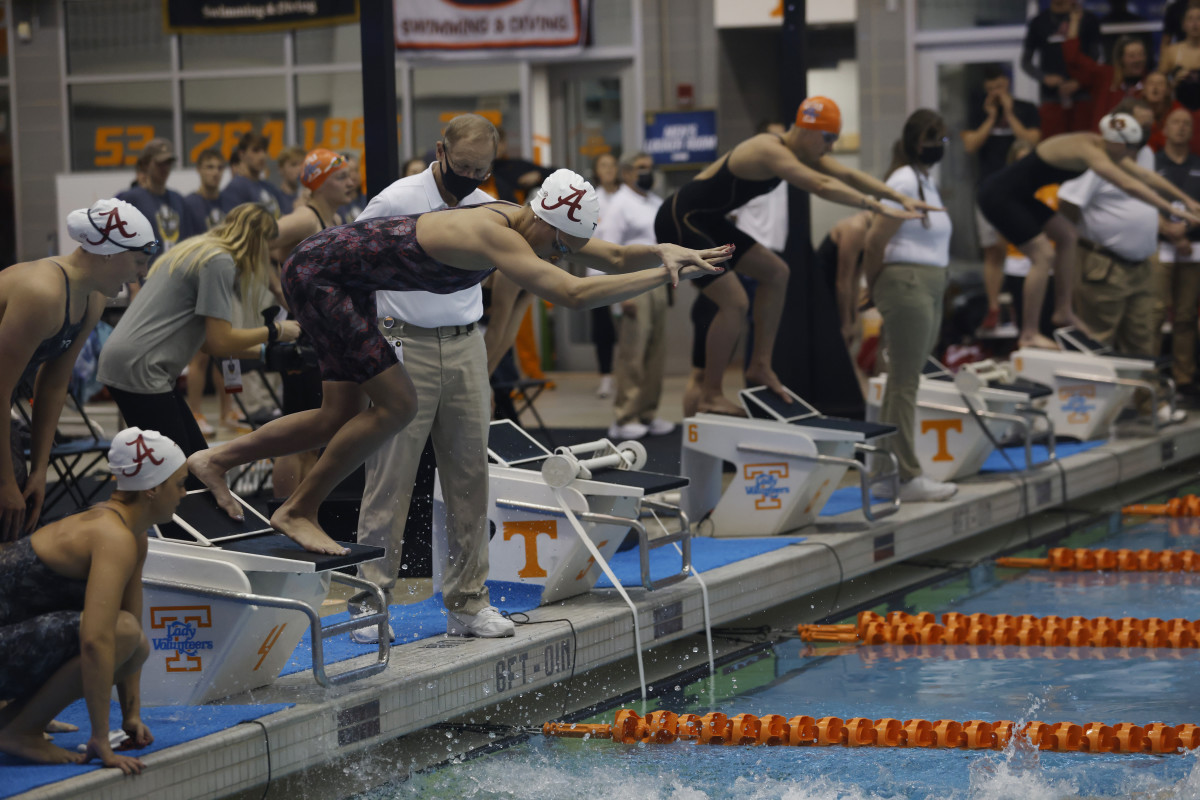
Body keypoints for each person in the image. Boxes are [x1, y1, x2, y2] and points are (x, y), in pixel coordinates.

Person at [188, 169, 732, 557]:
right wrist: (665, 277)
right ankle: (298, 509)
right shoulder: (494, 232)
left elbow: (609, 257)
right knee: (399, 406)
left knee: (337, 415)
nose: (558, 255)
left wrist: (668, 251)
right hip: (321, 278)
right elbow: (571, 293)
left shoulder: (530, 223)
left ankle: (219, 460)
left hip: (338, 282)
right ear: (545, 221)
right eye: (560, 245)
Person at [654, 96, 930, 416]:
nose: (830, 148)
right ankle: (710, 394)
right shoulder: (769, 149)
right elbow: (822, 185)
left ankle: (759, 365)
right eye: (829, 139)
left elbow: (848, 176)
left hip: (708, 221)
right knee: (735, 302)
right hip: (680, 220)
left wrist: (898, 198)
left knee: (777, 273)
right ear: (808, 130)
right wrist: (875, 206)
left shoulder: (798, 149)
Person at [350, 114, 506, 641]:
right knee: (390, 479)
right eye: (462, 167)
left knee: (469, 477)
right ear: (440, 150)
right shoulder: (396, 200)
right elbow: (347, 261)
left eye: (480, 170)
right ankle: (370, 602)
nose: (470, 177)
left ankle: (467, 602)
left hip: (466, 343)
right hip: (404, 343)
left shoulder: (488, 208)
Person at [0, 428, 187, 772]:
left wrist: (131, 714)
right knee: (119, 635)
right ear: (153, 488)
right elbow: (96, 641)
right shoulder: (111, 535)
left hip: (11, 637)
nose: (184, 493)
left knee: (136, 643)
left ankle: (16, 721)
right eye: (179, 483)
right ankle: (19, 729)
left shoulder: (131, 533)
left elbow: (129, 623)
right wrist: (101, 737)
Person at [0, 199, 157, 540]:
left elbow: (54, 384)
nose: (141, 274)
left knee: (17, 511)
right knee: (7, 514)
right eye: (139, 261)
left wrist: (41, 469)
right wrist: (6, 482)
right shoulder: (42, 293)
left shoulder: (92, 297)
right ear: (108, 253)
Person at [977, 112, 1200, 350]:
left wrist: (1187, 201)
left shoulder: (1106, 147)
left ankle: (1063, 311)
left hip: (1019, 196)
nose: (1130, 154)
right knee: (1043, 256)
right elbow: (1129, 184)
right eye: (1129, 148)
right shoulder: (1089, 150)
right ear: (1116, 142)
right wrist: (1175, 210)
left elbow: (1145, 175)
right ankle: (1029, 333)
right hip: (998, 196)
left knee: (1067, 235)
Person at [97, 204, 299, 459]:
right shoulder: (219, 262)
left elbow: (208, 343)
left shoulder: (201, 250)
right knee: (181, 467)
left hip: (132, 364)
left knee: (193, 460)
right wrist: (276, 330)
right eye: (267, 250)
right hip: (141, 369)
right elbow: (220, 341)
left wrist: (263, 353)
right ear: (257, 242)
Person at [861, 109, 958, 503]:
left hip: (927, 282)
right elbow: (874, 241)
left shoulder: (924, 180)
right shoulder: (903, 180)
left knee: (903, 379)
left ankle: (886, 471)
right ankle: (907, 476)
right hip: (907, 282)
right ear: (919, 142)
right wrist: (874, 284)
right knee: (905, 382)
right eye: (937, 139)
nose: (941, 148)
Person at [267, 149, 356, 501]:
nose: (350, 182)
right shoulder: (305, 218)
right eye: (340, 177)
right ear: (318, 184)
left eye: (349, 175)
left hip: (321, 335)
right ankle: (284, 515)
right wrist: (278, 290)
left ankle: (302, 511)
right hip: (303, 337)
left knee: (317, 432)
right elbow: (256, 241)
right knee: (298, 436)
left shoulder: (330, 216)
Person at [1057, 106, 1161, 358]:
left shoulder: (1146, 153)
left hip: (1143, 266)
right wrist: (1086, 237)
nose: (1144, 131)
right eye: (1139, 124)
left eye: (1148, 125)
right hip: (1104, 264)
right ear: (1119, 125)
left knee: (1143, 343)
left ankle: (1141, 398)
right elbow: (1067, 202)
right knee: (1098, 343)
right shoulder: (1095, 159)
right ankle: (1100, 398)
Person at [595, 151, 673, 440]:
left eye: (650, 168)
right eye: (641, 168)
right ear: (626, 173)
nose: (647, 173)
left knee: (655, 352)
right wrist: (620, 295)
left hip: (659, 282)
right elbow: (609, 250)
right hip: (633, 284)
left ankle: (648, 413)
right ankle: (624, 416)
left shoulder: (654, 202)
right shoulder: (619, 205)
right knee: (632, 353)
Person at [961, 65, 1041, 332]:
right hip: (987, 190)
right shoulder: (979, 111)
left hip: (1019, 188)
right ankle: (994, 307)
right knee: (992, 250)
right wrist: (991, 118)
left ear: (1007, 84)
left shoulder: (1026, 108)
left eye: (999, 87)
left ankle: (1023, 304)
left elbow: (1032, 141)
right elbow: (970, 145)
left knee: (1024, 247)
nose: (995, 92)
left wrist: (1008, 113)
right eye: (990, 89)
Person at [1155, 107, 1200, 397]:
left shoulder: (1199, 163)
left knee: (1185, 316)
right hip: (1160, 247)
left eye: (1187, 123)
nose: (1182, 128)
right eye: (1176, 122)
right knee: (1155, 314)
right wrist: (1168, 229)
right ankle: (1153, 377)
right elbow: (1141, 202)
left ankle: (1184, 377)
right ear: (1165, 129)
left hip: (1194, 247)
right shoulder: (1152, 163)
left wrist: (1186, 231)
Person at [1021, 0, 1102, 136]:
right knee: (1052, 145)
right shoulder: (1038, 22)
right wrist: (1044, 78)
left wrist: (1079, 81)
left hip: (1083, 95)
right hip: (1051, 96)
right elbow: (1025, 62)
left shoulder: (1088, 19)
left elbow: (1096, 57)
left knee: (1083, 141)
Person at [1062, 7, 1150, 131]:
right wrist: (1075, 21)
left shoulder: (1151, 83)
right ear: (1120, 60)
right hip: (1104, 143)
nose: (1138, 59)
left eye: (1141, 54)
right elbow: (1073, 57)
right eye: (1132, 56)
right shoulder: (1105, 76)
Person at [116, 138, 196, 259]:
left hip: (176, 273)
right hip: (145, 275)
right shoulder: (131, 199)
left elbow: (188, 242)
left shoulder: (178, 200)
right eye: (159, 163)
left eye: (168, 163)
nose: (165, 168)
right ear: (146, 165)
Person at [591, 152, 621, 398]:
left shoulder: (626, 198)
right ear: (597, 170)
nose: (609, 169)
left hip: (626, 272)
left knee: (629, 328)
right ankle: (605, 378)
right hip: (598, 275)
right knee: (603, 330)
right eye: (604, 164)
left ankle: (627, 376)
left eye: (612, 164)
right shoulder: (591, 199)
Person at [219, 132, 286, 218]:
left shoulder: (270, 187)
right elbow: (234, 227)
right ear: (242, 154)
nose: (262, 156)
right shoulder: (235, 188)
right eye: (255, 150)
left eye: (264, 150)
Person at [337, 150, 367, 222]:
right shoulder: (334, 205)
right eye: (349, 171)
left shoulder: (369, 200)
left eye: (356, 170)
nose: (353, 176)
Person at [275, 145, 306, 213]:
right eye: (293, 165)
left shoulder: (307, 197)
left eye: (302, 165)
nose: (299, 169)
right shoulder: (275, 198)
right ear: (281, 169)